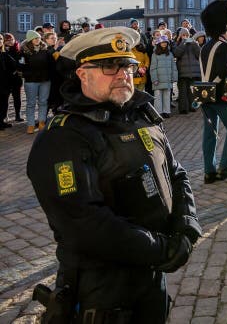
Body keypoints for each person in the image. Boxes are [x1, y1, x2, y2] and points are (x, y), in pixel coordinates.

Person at [26, 27, 201, 323]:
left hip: (151, 278)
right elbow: (84, 223)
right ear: (83, 74)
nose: (123, 74)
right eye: (110, 66)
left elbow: (175, 173)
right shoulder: (64, 137)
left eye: (128, 65)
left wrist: (186, 226)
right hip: (102, 289)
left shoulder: (141, 116)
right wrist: (161, 249)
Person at [198, 0, 227, 184]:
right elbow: (225, 72)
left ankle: (209, 171)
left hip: (205, 94)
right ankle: (224, 167)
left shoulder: (205, 46)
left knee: (210, 133)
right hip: (221, 95)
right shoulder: (225, 46)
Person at [20, 30, 52, 133]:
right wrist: (26, 73)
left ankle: (42, 122)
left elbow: (50, 64)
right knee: (31, 103)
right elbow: (21, 66)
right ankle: (30, 125)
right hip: (31, 81)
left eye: (38, 38)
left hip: (45, 80)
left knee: (43, 102)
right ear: (30, 40)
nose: (38, 40)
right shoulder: (24, 51)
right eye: (35, 38)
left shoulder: (45, 50)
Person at [172, 27, 201, 114]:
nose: (185, 37)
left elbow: (199, 54)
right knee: (183, 91)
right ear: (180, 36)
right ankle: (183, 109)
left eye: (187, 35)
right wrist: (183, 43)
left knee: (192, 91)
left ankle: (193, 107)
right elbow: (176, 53)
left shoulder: (194, 43)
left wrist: (195, 44)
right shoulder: (177, 44)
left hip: (194, 71)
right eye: (183, 35)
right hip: (182, 71)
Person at [149, 35, 177, 118]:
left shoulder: (170, 54)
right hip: (158, 79)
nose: (164, 44)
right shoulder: (155, 54)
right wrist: (154, 79)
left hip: (168, 79)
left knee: (167, 96)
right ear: (159, 44)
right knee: (157, 96)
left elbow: (173, 67)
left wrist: (174, 77)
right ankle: (159, 112)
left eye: (165, 42)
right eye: (162, 42)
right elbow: (153, 68)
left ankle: (166, 111)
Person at [3, 33, 23, 122]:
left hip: (16, 78)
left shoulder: (18, 49)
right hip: (5, 78)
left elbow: (22, 62)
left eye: (11, 39)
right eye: (7, 40)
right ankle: (4, 116)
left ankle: (18, 115)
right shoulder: (3, 51)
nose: (10, 41)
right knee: (4, 99)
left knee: (17, 98)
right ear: (4, 41)